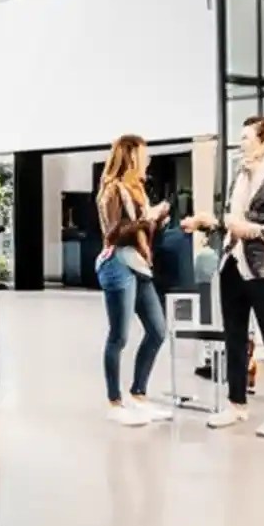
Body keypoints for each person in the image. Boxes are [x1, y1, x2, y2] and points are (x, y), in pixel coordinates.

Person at [181, 116, 264, 438]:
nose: (242, 143)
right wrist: (208, 223)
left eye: (247, 137)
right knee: (234, 338)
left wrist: (253, 230)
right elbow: (231, 222)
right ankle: (236, 404)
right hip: (232, 265)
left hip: (262, 269)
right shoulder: (239, 175)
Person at [95, 134, 172, 426]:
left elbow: (141, 231)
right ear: (130, 157)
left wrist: (156, 220)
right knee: (119, 336)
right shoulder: (112, 190)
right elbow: (113, 233)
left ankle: (138, 395)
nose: (148, 159)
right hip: (117, 264)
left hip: (139, 265)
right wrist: (148, 218)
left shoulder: (137, 189)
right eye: (143, 154)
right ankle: (114, 402)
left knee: (157, 330)